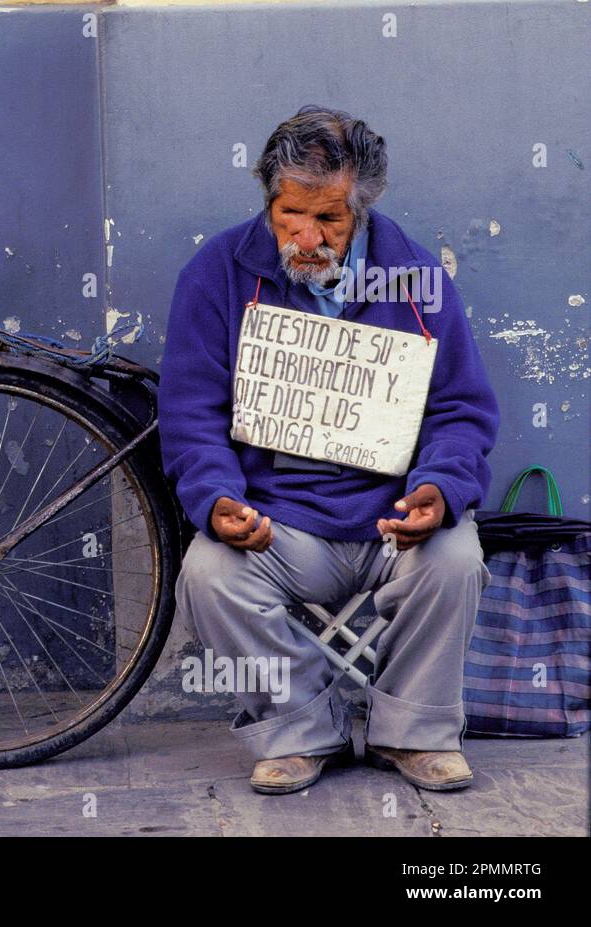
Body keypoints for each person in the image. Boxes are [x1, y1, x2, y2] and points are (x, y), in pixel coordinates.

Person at [157, 105, 500, 794]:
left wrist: (439, 487)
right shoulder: (216, 273)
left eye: (330, 220)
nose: (307, 236)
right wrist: (218, 499)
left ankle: (412, 731)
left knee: (457, 555)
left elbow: (460, 408)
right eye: (290, 215)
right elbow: (191, 413)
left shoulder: (415, 277)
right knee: (207, 573)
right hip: (278, 526)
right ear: (268, 198)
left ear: (362, 210)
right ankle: (300, 729)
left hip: (389, 519)